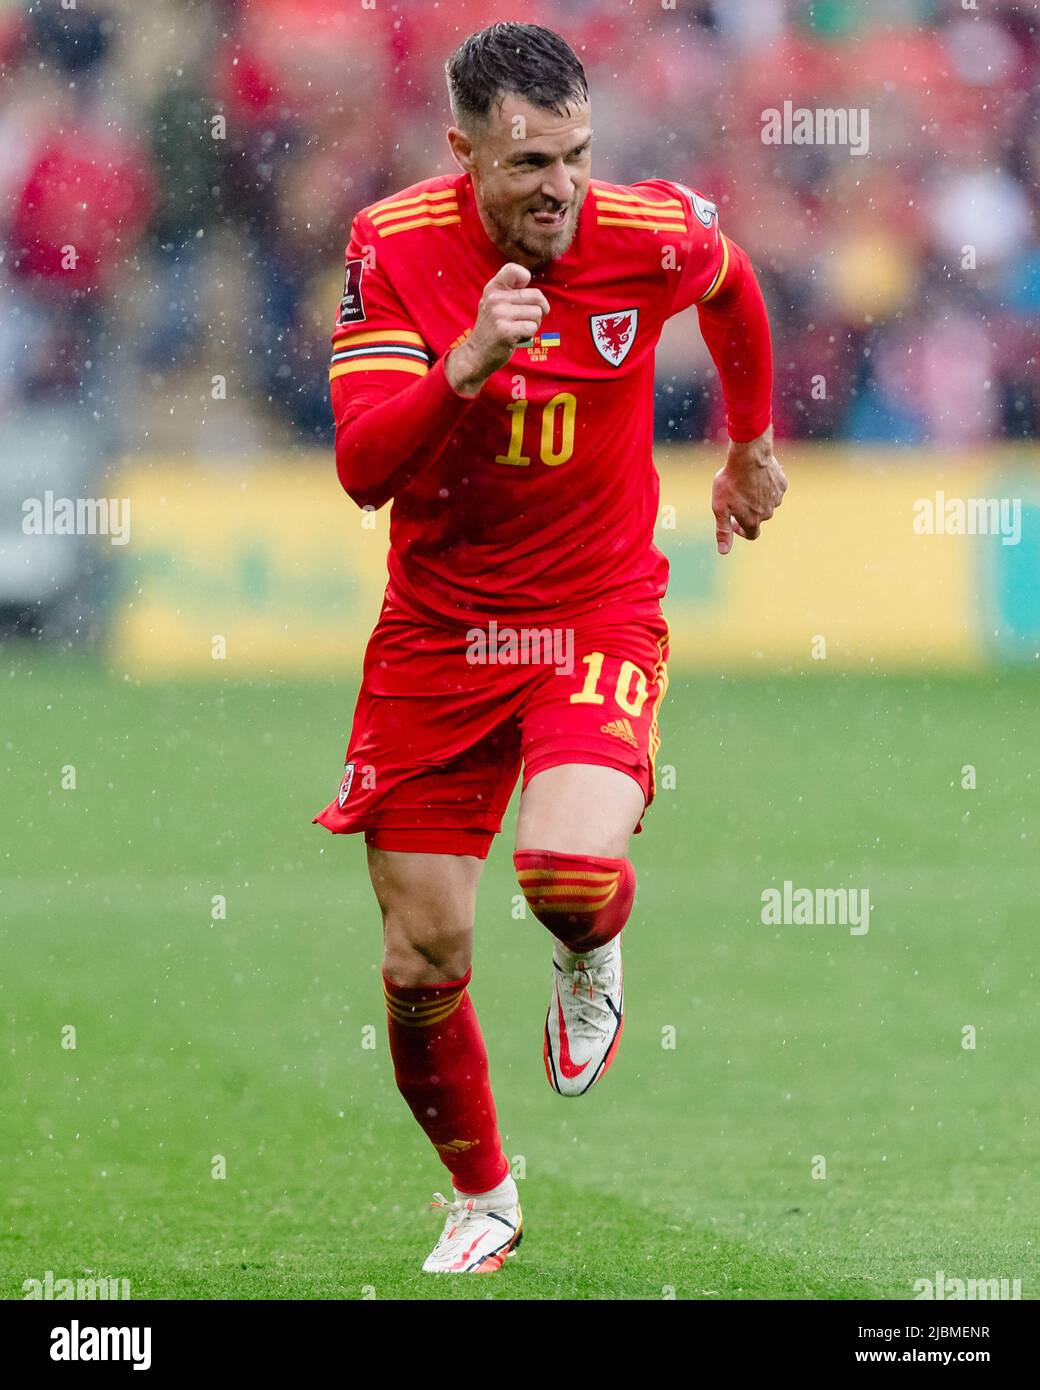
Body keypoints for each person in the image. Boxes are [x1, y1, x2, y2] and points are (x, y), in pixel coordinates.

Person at [314, 21, 786, 1274]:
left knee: (567, 874)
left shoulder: (646, 232)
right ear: (460, 151)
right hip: (439, 628)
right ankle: (485, 1194)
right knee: (422, 953)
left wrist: (746, 441)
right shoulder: (394, 247)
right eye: (527, 164)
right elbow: (363, 467)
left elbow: (732, 285)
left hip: (591, 610)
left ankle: (591, 954)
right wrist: (463, 360)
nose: (560, 188)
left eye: (575, 153)